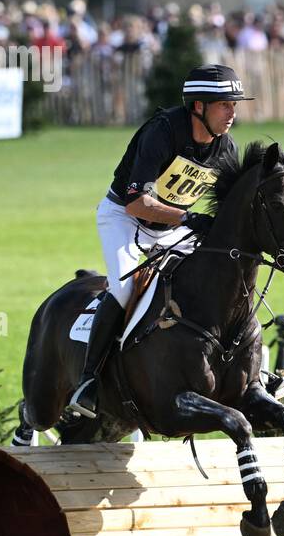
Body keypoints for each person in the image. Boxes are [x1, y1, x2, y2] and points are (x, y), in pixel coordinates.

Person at [65, 64, 251, 419]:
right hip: (125, 218)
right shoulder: (162, 132)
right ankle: (88, 381)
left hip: (173, 227)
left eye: (234, 105)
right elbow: (136, 202)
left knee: (218, 275)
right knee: (123, 289)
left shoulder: (225, 147)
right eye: (224, 104)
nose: (232, 113)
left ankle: (248, 368)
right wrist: (188, 218)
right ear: (198, 106)